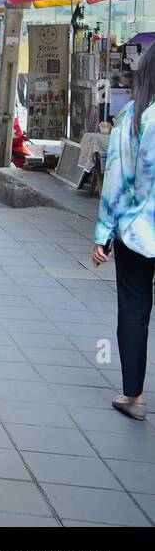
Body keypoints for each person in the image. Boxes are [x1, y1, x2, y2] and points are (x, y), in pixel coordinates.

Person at [92, 47, 155, 420]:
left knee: (134, 311)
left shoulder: (132, 118)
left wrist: (103, 235)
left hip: (138, 232)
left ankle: (135, 396)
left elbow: (116, 184)